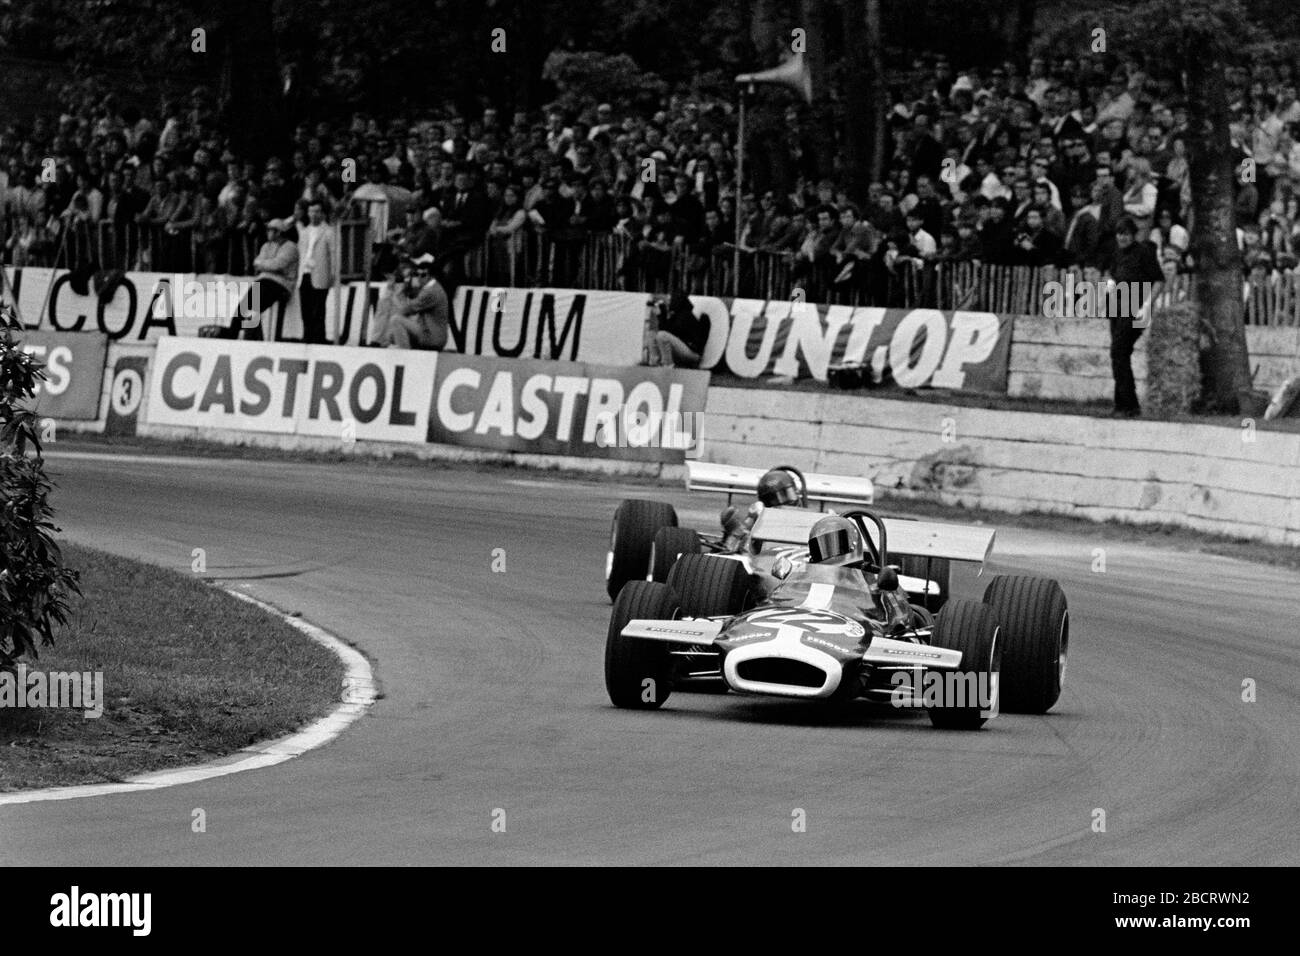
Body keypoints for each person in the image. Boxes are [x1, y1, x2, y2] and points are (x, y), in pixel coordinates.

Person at [1104, 217, 1163, 417]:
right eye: (1120, 234)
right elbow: (1111, 273)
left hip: (1136, 305)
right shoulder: (1116, 252)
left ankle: (1129, 405)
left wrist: (1147, 304)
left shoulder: (1144, 253)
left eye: (1126, 234)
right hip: (1117, 305)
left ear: (1133, 235)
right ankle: (1122, 404)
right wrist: (1109, 283)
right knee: (1118, 354)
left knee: (1119, 351)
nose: (1122, 238)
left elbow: (1158, 280)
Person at [222, 217, 297, 340]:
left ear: (278, 232)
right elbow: (257, 262)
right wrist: (268, 265)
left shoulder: (290, 247)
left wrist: (265, 265)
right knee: (243, 309)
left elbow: (277, 264)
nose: (268, 232)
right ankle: (234, 335)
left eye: (271, 230)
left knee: (253, 308)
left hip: (281, 284)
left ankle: (249, 338)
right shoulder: (266, 246)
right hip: (264, 281)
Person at [371, 253, 450, 349]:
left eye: (423, 275)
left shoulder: (431, 292)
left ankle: (405, 355)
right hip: (430, 333)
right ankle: (392, 346)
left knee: (396, 320)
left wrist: (393, 292)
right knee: (392, 332)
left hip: (432, 338)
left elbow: (406, 309)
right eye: (418, 274)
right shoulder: (432, 288)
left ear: (431, 276)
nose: (420, 278)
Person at [296, 198, 335, 343]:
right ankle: (307, 337)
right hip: (305, 272)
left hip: (320, 272)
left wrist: (333, 274)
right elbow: (300, 253)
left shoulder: (329, 231)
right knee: (305, 308)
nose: (314, 214)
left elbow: (333, 253)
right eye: (311, 211)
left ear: (322, 214)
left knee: (318, 309)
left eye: (317, 211)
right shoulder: (304, 232)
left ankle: (319, 338)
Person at [650, 290, 709, 368]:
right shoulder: (677, 314)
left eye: (670, 300)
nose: (668, 302)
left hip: (692, 354)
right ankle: (654, 364)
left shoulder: (685, 316)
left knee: (662, 335)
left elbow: (667, 332)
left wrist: (660, 315)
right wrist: (662, 314)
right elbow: (666, 329)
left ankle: (667, 366)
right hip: (683, 349)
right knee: (651, 334)